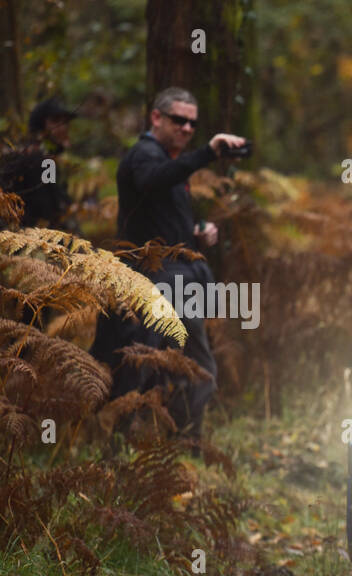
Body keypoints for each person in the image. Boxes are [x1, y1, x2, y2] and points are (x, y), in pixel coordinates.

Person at [97, 87, 246, 437]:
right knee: (142, 366)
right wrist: (208, 153)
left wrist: (198, 233)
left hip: (179, 281)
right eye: (179, 120)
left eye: (192, 124)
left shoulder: (167, 162)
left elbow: (163, 224)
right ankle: (122, 449)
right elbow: (152, 181)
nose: (187, 129)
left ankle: (182, 442)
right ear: (156, 118)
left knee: (189, 367)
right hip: (153, 284)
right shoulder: (144, 156)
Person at [0, 96, 79, 228]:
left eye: (66, 122)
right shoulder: (41, 160)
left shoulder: (44, 158)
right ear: (40, 127)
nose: (63, 127)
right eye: (56, 121)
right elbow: (48, 214)